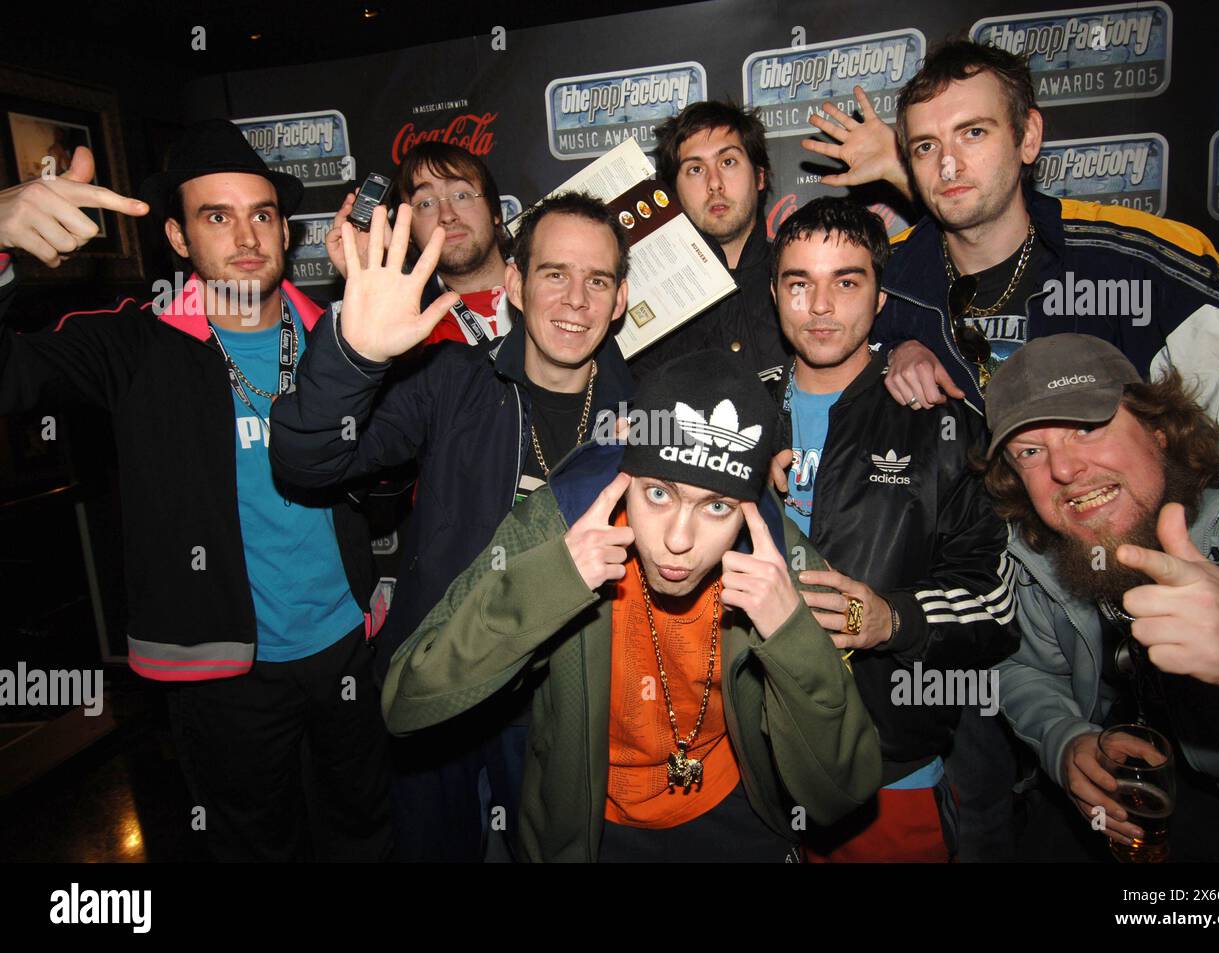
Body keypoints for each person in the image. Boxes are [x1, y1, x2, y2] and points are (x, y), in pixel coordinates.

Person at [0, 120, 391, 861]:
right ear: (178, 239)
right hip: (221, 669)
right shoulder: (135, 346)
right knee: (252, 846)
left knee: (363, 834)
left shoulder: (342, 337)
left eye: (262, 213)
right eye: (217, 215)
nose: (246, 235)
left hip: (346, 646)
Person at [381, 350, 882, 861]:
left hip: (736, 819)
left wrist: (790, 636)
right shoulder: (562, 523)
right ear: (627, 472)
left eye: (716, 507)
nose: (679, 540)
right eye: (658, 494)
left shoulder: (778, 561)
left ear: (748, 508)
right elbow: (406, 702)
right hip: (588, 828)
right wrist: (551, 582)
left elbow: (844, 791)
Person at [269, 190, 636, 860]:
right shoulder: (453, 381)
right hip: (435, 690)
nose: (576, 300)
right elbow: (306, 460)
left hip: (557, 710)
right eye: (554, 273)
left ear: (619, 300)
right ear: (516, 285)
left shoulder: (644, 419)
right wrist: (353, 354)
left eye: (598, 280)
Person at [802, 40, 1219, 453]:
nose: (948, 165)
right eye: (927, 146)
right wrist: (894, 352)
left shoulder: (1132, 262)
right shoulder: (889, 276)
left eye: (973, 133)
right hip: (955, 565)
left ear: (1029, 137)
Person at [979, 334, 1219, 861]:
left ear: (1159, 429)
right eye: (1031, 452)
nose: (1063, 470)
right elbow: (1022, 669)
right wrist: (1065, 739)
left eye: (1086, 428)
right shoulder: (1045, 546)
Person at [766, 197, 1017, 860]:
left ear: (880, 300)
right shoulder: (737, 406)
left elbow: (996, 604)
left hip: (889, 772)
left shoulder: (939, 420)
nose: (821, 307)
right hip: (747, 767)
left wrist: (891, 618)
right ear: (775, 293)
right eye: (800, 283)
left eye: (846, 282)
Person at [631, 101, 790, 382]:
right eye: (695, 169)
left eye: (728, 162)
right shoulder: (640, 301)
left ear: (760, 177)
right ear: (673, 193)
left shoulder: (803, 282)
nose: (714, 183)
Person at [325, 141, 512, 346]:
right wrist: (367, 299)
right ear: (409, 231)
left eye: (461, 195)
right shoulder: (406, 327)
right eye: (426, 203)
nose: (447, 215)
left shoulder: (548, 293)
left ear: (494, 210)